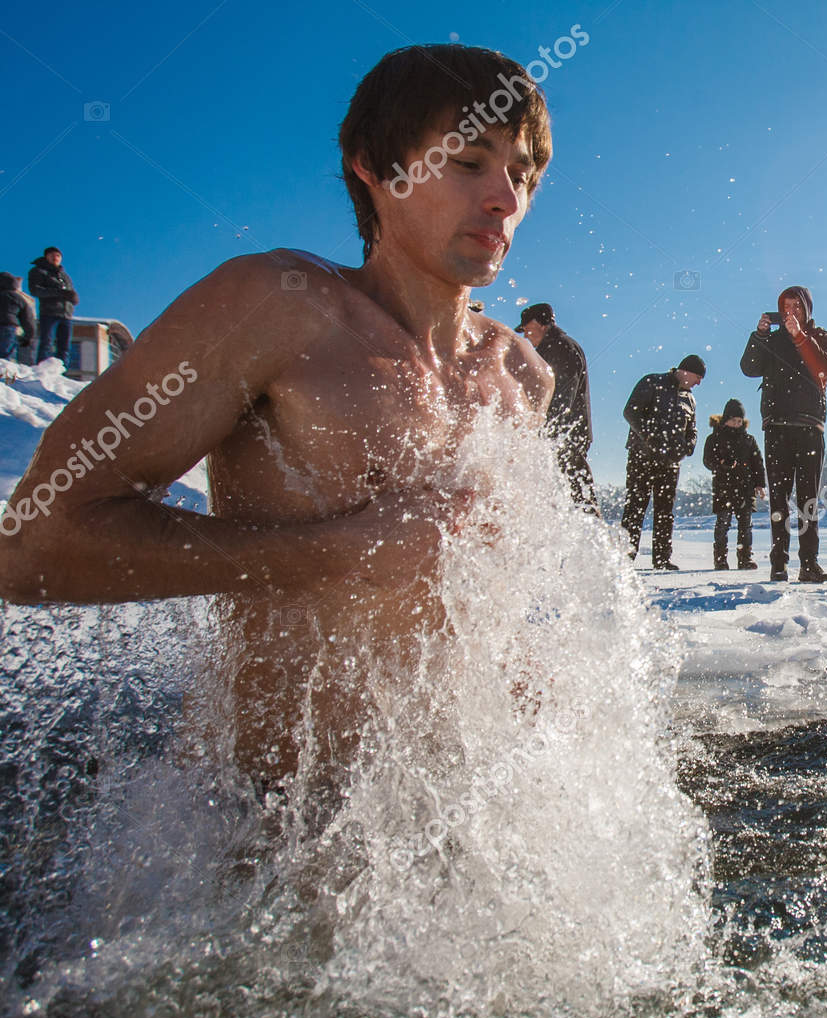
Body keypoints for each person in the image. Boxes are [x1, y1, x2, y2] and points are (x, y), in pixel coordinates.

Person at [0, 44, 555, 824]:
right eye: (469, 161)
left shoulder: (521, 375)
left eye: (524, 175)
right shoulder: (276, 305)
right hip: (263, 832)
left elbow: (477, 610)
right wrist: (335, 551)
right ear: (373, 166)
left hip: (454, 821)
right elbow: (31, 548)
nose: (506, 198)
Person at [740, 285, 827, 582]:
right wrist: (758, 337)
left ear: (806, 309)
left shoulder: (822, 337)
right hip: (777, 425)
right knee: (779, 499)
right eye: (786, 306)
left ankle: (809, 564)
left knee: (808, 499)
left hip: (810, 425)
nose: (791, 311)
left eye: (797, 306)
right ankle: (778, 563)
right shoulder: (770, 339)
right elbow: (748, 367)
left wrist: (800, 337)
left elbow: (824, 365)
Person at [621, 355, 702, 570]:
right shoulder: (653, 382)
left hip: (671, 463)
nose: (699, 382)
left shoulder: (689, 399)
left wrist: (690, 444)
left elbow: (692, 428)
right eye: (698, 376)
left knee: (665, 511)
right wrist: (649, 437)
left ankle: (662, 559)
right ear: (686, 370)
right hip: (642, 457)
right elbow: (630, 411)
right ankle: (624, 558)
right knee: (635, 507)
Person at [516, 302, 594, 508]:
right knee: (561, 499)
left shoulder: (561, 347)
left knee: (579, 498)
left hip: (565, 435)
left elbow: (561, 397)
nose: (525, 335)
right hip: (560, 433)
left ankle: (591, 535)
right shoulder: (551, 348)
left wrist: (546, 430)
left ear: (541, 323)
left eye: (526, 328)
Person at [702, 398, 765, 570]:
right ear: (725, 419)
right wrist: (722, 462)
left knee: (746, 525)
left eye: (739, 421)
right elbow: (707, 460)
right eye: (733, 420)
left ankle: (745, 558)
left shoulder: (749, 440)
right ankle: (720, 559)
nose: (737, 424)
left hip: (745, 488)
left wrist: (760, 484)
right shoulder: (714, 438)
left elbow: (757, 463)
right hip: (723, 487)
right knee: (723, 523)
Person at [27, 248, 77, 365]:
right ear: (46, 257)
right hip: (49, 313)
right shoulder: (38, 271)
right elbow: (35, 290)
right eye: (52, 255)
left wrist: (73, 298)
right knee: (47, 343)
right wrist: (59, 293)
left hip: (66, 315)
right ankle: (42, 369)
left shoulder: (65, 276)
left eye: (58, 256)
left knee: (64, 346)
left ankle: (61, 372)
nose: (55, 258)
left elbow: (69, 291)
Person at [0, 273, 36, 363]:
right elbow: (28, 318)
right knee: (4, 356)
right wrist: (29, 336)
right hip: (9, 327)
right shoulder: (18, 298)